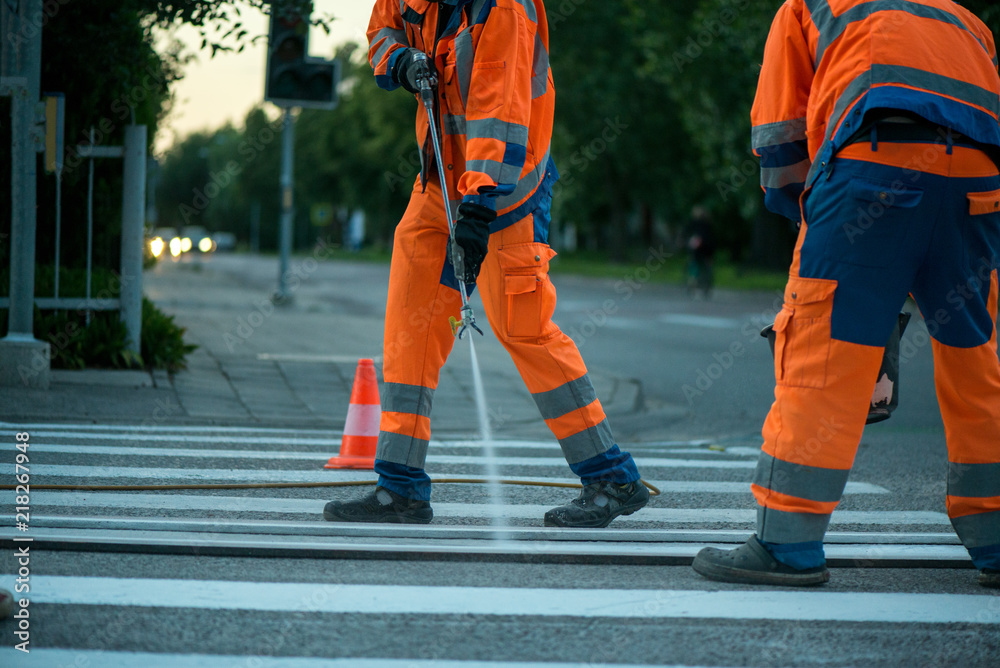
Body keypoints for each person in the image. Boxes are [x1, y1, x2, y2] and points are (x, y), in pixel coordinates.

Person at [693, 0, 1000, 587]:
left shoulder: (811, 6)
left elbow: (780, 136)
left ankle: (787, 542)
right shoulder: (966, 19)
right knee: (973, 359)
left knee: (821, 353)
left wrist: (811, 224)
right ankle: (995, 540)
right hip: (980, 186)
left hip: (873, 168)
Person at [324, 0, 649, 527]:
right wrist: (402, 62)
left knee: (525, 331)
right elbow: (380, 32)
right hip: (438, 183)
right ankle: (400, 488)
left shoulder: (504, 9)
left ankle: (611, 478)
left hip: (507, 189)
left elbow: (501, 109)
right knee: (410, 328)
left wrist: (479, 204)